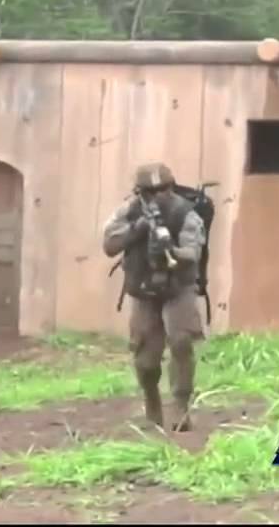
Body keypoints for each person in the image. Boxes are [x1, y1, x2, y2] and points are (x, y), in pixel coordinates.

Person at [102, 163, 206, 432]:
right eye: (150, 191)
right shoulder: (129, 210)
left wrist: (170, 249)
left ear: (172, 187)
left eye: (163, 189)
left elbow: (192, 252)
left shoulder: (187, 213)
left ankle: (181, 406)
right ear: (139, 192)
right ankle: (152, 401)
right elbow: (109, 245)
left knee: (181, 342)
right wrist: (137, 228)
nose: (158, 195)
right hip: (144, 290)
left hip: (177, 287)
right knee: (145, 358)